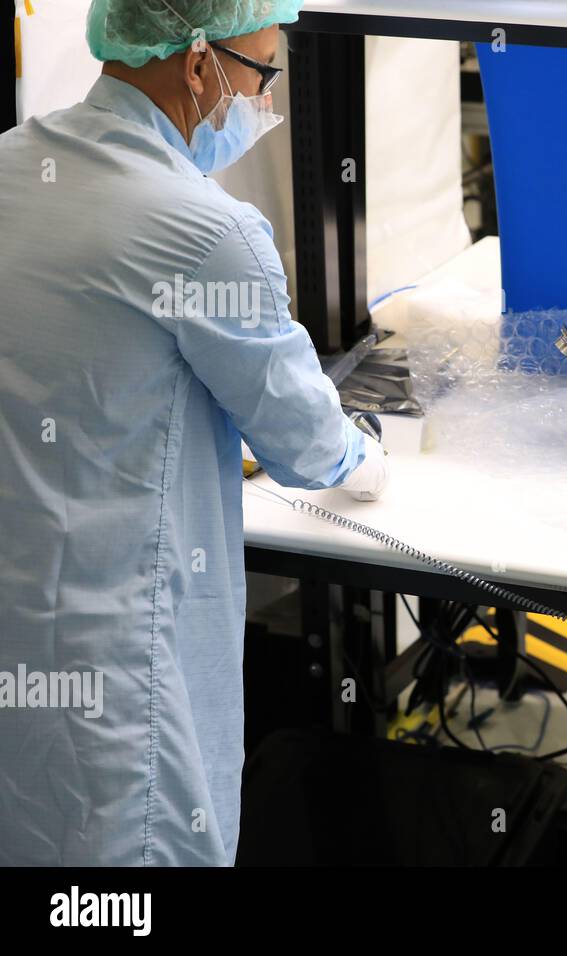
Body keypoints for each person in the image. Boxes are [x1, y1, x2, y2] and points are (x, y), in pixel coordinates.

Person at [0, 0, 387, 865]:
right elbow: (310, 445)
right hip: (120, 682)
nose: (264, 103)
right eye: (262, 75)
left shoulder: (13, 166)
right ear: (199, 65)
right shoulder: (204, 228)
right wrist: (372, 458)